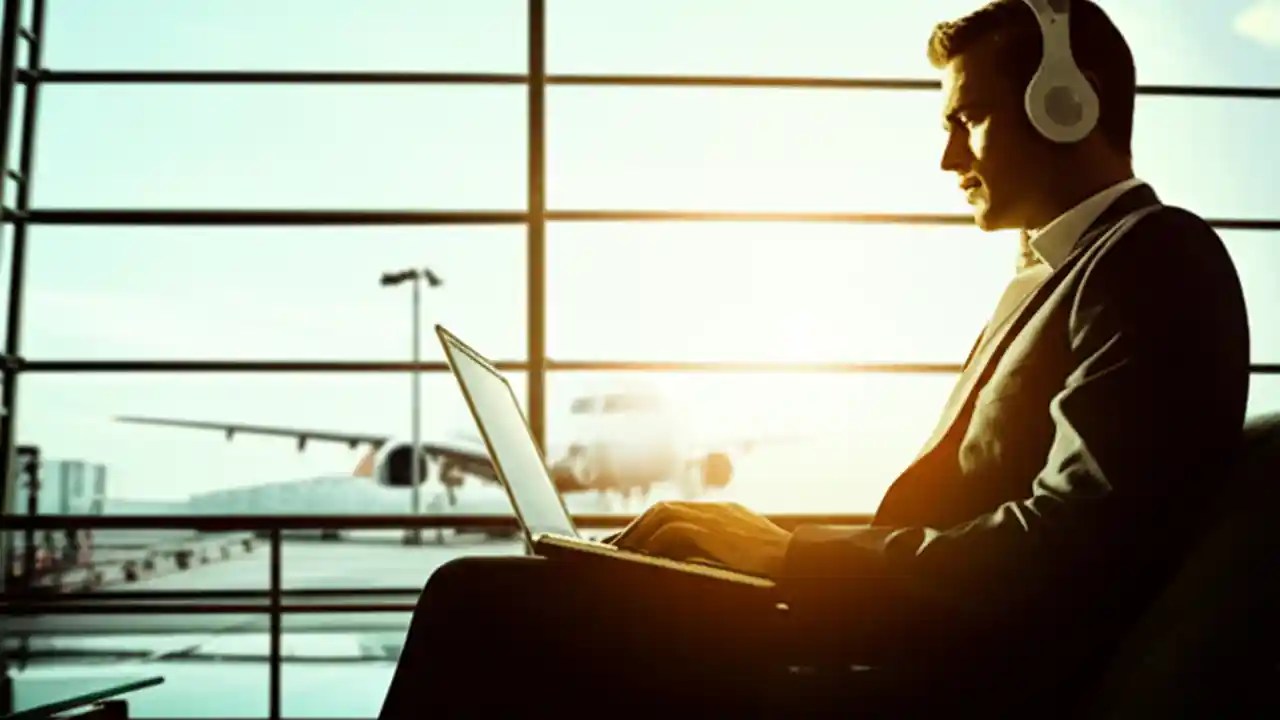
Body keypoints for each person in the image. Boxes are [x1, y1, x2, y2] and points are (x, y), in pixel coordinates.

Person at [378, 1, 1250, 716]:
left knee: (482, 602)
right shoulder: (1070, 272)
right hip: (902, 646)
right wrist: (763, 547)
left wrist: (791, 558)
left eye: (969, 119)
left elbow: (1063, 546)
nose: (947, 157)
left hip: (940, 681)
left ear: (1068, 104)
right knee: (540, 602)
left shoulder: (1155, 257)